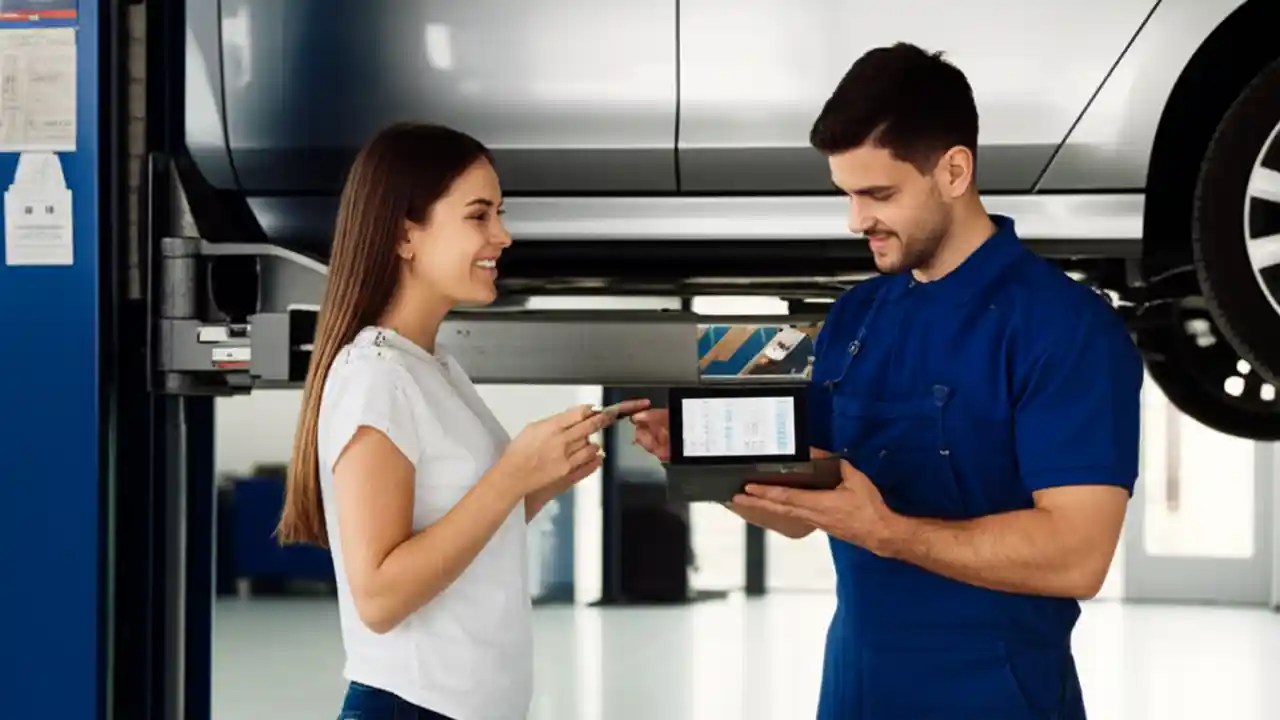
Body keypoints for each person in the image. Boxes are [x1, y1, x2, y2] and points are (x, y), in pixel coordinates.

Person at [633, 43, 1141, 719]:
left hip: (996, 692)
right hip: (855, 686)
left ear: (954, 170)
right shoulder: (856, 317)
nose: (855, 219)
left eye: (879, 194)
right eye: (846, 193)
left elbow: (1077, 556)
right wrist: (708, 466)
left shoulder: (1065, 328)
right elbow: (802, 513)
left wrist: (887, 532)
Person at [275, 122, 648, 720]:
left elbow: (460, 530)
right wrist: (510, 477)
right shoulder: (377, 377)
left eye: (499, 213)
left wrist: (543, 478)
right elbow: (379, 596)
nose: (502, 235)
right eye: (479, 215)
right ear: (404, 235)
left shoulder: (431, 366)